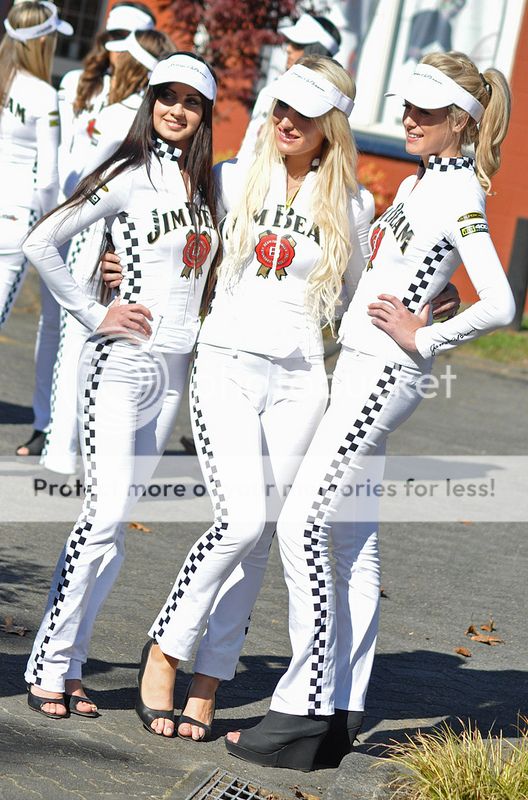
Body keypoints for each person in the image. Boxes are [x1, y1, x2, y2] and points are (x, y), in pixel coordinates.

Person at [100, 55, 460, 743]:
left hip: (302, 380)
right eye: (281, 108)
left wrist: (438, 301)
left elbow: (371, 294)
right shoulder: (232, 178)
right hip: (226, 367)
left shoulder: (352, 203)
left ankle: (209, 683)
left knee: (263, 535)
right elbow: (170, 242)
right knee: (239, 521)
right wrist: (113, 269)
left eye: (304, 113)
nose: (286, 121)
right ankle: (165, 650)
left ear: (331, 124)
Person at [225, 51, 515, 771]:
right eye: (406, 105)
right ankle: (343, 708)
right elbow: (417, 268)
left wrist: (429, 332)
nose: (407, 118)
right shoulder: (427, 184)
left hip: (384, 374)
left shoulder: (457, 194)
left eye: (424, 111)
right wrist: (436, 296)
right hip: (361, 366)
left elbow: (503, 302)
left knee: (301, 523)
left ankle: (302, 708)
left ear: (460, 122)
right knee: (352, 543)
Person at [23, 52, 220, 720]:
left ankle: (73, 668)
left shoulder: (206, 187)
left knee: (117, 527)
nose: (176, 110)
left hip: (173, 371)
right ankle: (48, 664)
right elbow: (41, 240)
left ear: (205, 116)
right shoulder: (127, 170)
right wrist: (91, 308)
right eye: (166, 97)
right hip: (119, 361)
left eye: (190, 102)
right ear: (150, 102)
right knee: (101, 516)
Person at [15, 2, 158, 459]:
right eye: (110, 38)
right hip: (62, 217)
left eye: (125, 41)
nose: (114, 49)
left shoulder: (144, 103)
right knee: (50, 326)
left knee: (87, 326)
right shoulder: (78, 82)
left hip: (100, 224)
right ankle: (44, 423)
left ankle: (70, 435)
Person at [42, 28, 176, 475]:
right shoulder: (126, 115)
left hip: (102, 246)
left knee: (78, 346)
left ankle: (62, 452)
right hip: (99, 243)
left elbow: (79, 178)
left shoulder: (124, 114)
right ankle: (70, 452)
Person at [0, 1, 72, 456]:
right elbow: (47, 178)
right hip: (16, 222)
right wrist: (53, 230)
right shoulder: (44, 96)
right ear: (43, 42)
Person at [236, 13, 341, 163]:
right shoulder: (272, 89)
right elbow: (248, 148)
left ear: (315, 50)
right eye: (282, 105)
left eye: (298, 45)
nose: (288, 49)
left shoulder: (330, 105)